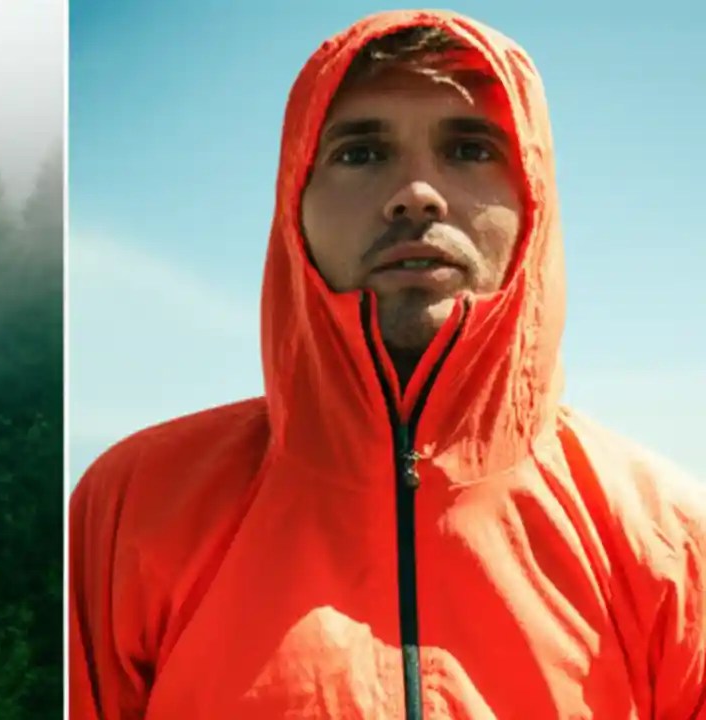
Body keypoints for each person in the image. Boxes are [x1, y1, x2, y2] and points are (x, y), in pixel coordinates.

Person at [69, 9, 705, 719]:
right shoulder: (135, 506)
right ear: (294, 205)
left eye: (469, 149)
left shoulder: (670, 541)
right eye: (361, 153)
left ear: (534, 200)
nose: (416, 194)